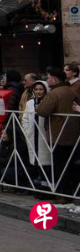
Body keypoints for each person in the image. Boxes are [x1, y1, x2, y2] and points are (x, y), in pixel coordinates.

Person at [36, 67, 80, 196]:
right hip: (73, 133)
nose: (47, 80)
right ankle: (74, 191)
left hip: (58, 133)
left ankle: (64, 194)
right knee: (71, 164)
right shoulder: (72, 91)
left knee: (60, 165)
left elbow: (42, 111)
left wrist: (39, 105)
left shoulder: (54, 93)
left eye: (49, 78)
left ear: (55, 79)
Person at [23, 80, 52, 188]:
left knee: (46, 163)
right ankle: (39, 186)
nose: (38, 92)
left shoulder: (48, 102)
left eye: (41, 89)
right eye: (36, 89)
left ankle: (47, 186)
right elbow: (25, 118)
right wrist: (26, 130)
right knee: (35, 162)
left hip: (44, 135)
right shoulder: (30, 103)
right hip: (32, 134)